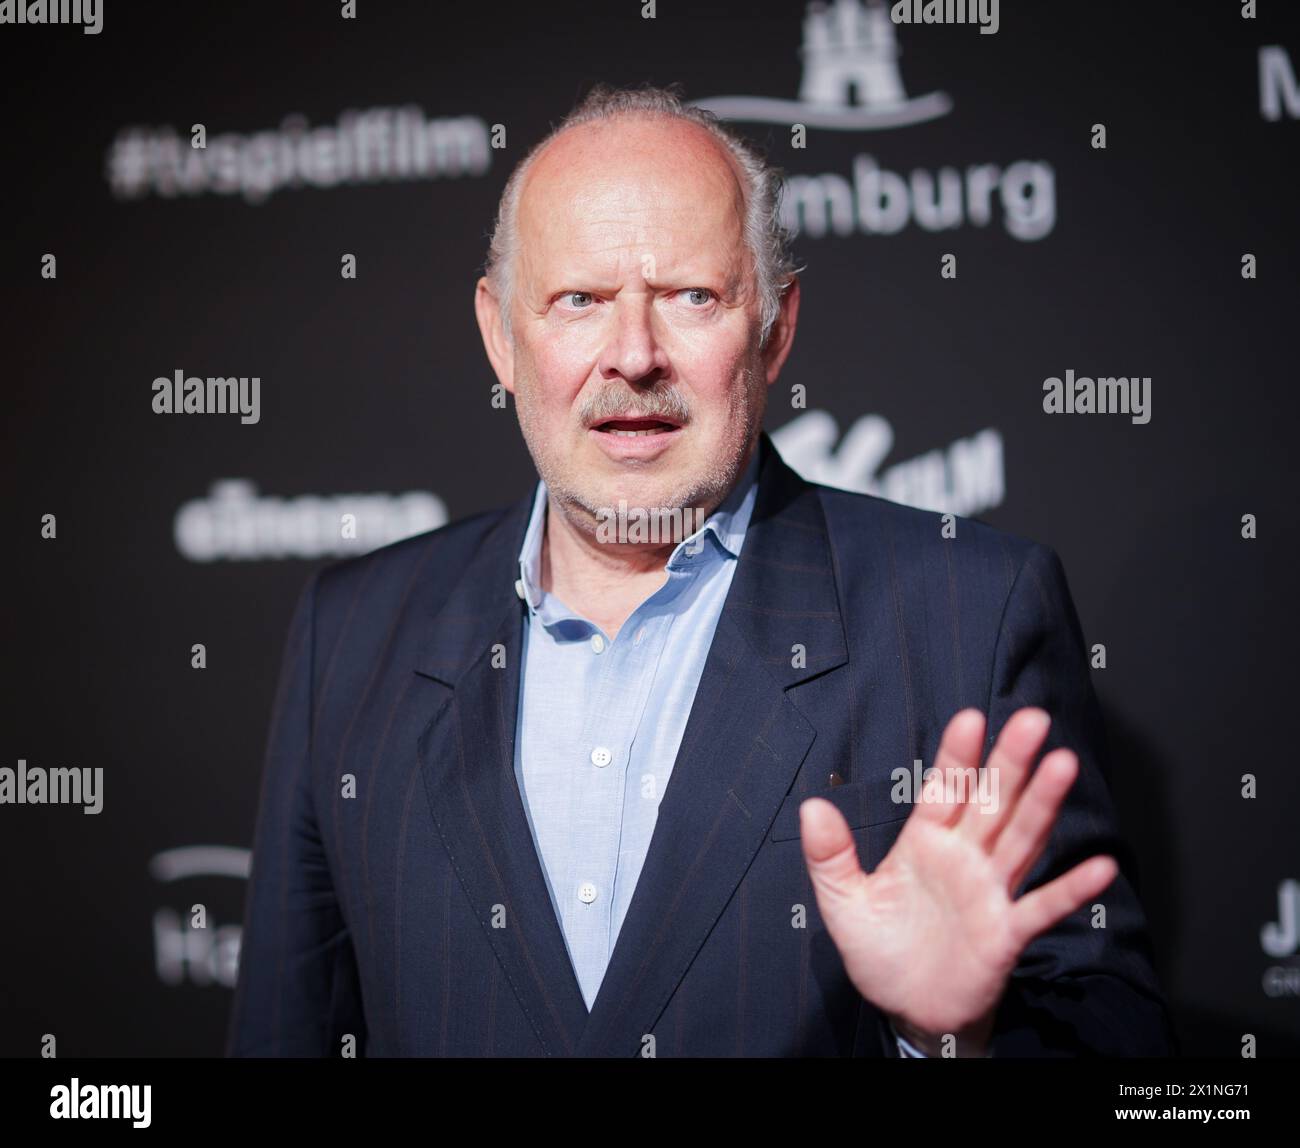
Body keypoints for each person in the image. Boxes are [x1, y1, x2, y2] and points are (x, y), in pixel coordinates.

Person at [227, 84, 1173, 1057]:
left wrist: (947, 1032)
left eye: (691, 295)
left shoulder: (968, 613)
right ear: (502, 336)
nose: (633, 356)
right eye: (580, 299)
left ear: (774, 327)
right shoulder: (351, 630)